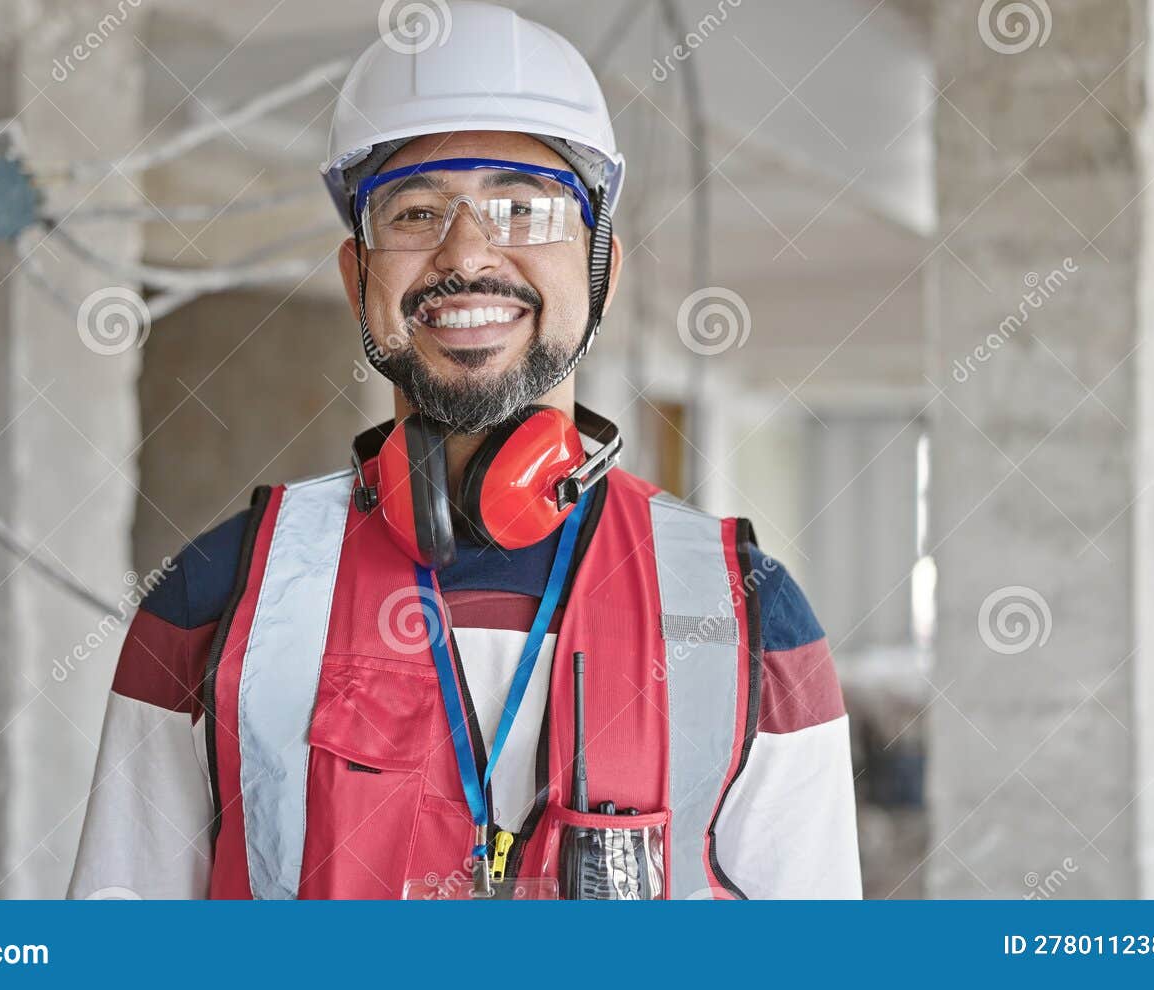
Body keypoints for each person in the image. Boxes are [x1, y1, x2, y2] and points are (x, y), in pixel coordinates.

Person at [68, 0, 859, 900]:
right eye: (413, 212)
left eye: (522, 208)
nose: (468, 253)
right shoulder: (213, 599)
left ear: (603, 267)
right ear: (355, 275)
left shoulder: (750, 617)